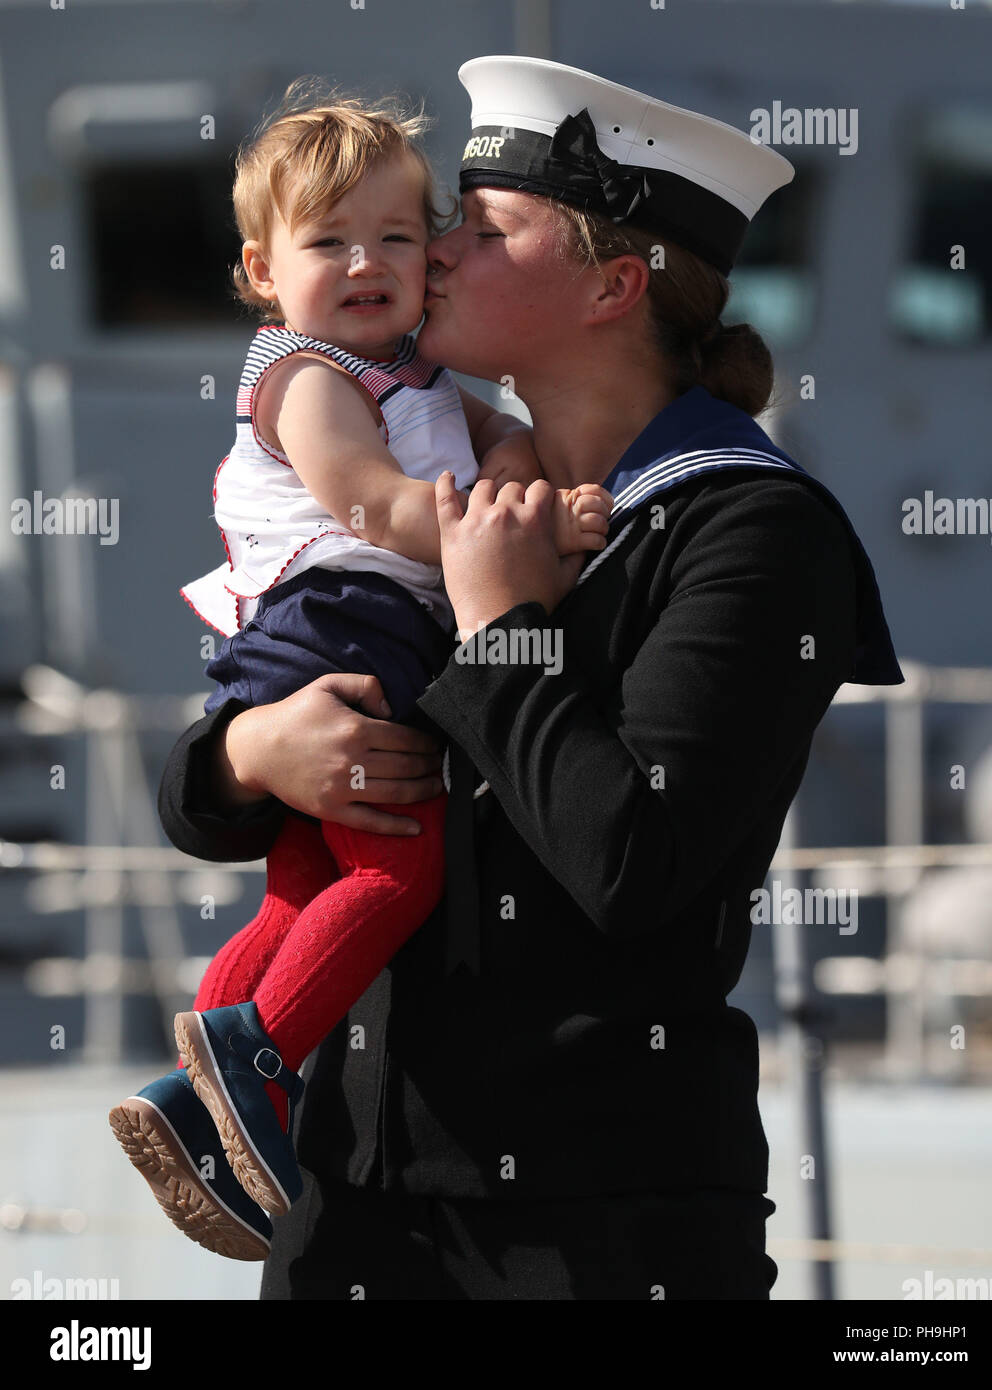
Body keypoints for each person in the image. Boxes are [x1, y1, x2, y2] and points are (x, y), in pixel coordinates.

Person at [156, 56, 904, 1299]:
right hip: (350, 1210)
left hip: (597, 1234)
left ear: (616, 284)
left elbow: (635, 863)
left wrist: (502, 621)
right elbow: (210, 790)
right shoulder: (423, 483)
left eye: (482, 226)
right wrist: (244, 756)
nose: (431, 251)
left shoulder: (751, 532)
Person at [109, 80, 611, 1261]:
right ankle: (258, 1067)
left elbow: (514, 446)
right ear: (259, 270)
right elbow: (376, 505)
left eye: (396, 234)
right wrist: (514, 537)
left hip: (364, 636)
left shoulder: (435, 383)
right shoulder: (305, 374)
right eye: (327, 239)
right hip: (337, 630)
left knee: (301, 890)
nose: (367, 260)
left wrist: (550, 484)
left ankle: (192, 1103)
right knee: (401, 872)